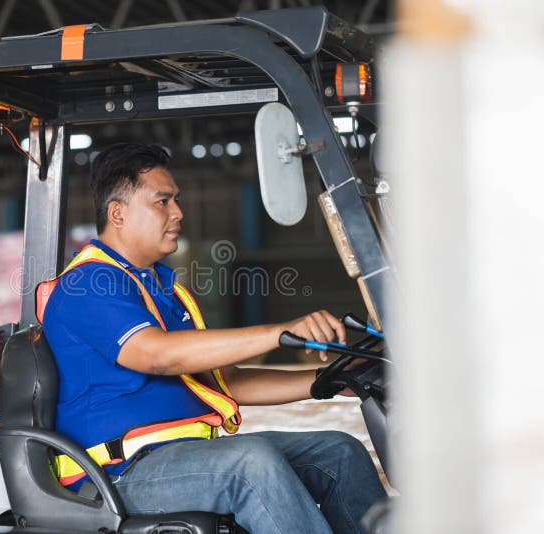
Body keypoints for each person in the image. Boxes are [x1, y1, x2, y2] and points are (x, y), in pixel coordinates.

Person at [40, 143, 386, 533]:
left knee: (339, 452)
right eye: (163, 201)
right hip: (118, 474)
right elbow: (155, 355)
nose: (178, 213)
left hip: (184, 458)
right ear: (118, 213)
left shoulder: (161, 291)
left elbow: (229, 382)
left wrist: (329, 381)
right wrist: (277, 333)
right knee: (248, 463)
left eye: (176, 200)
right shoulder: (89, 284)